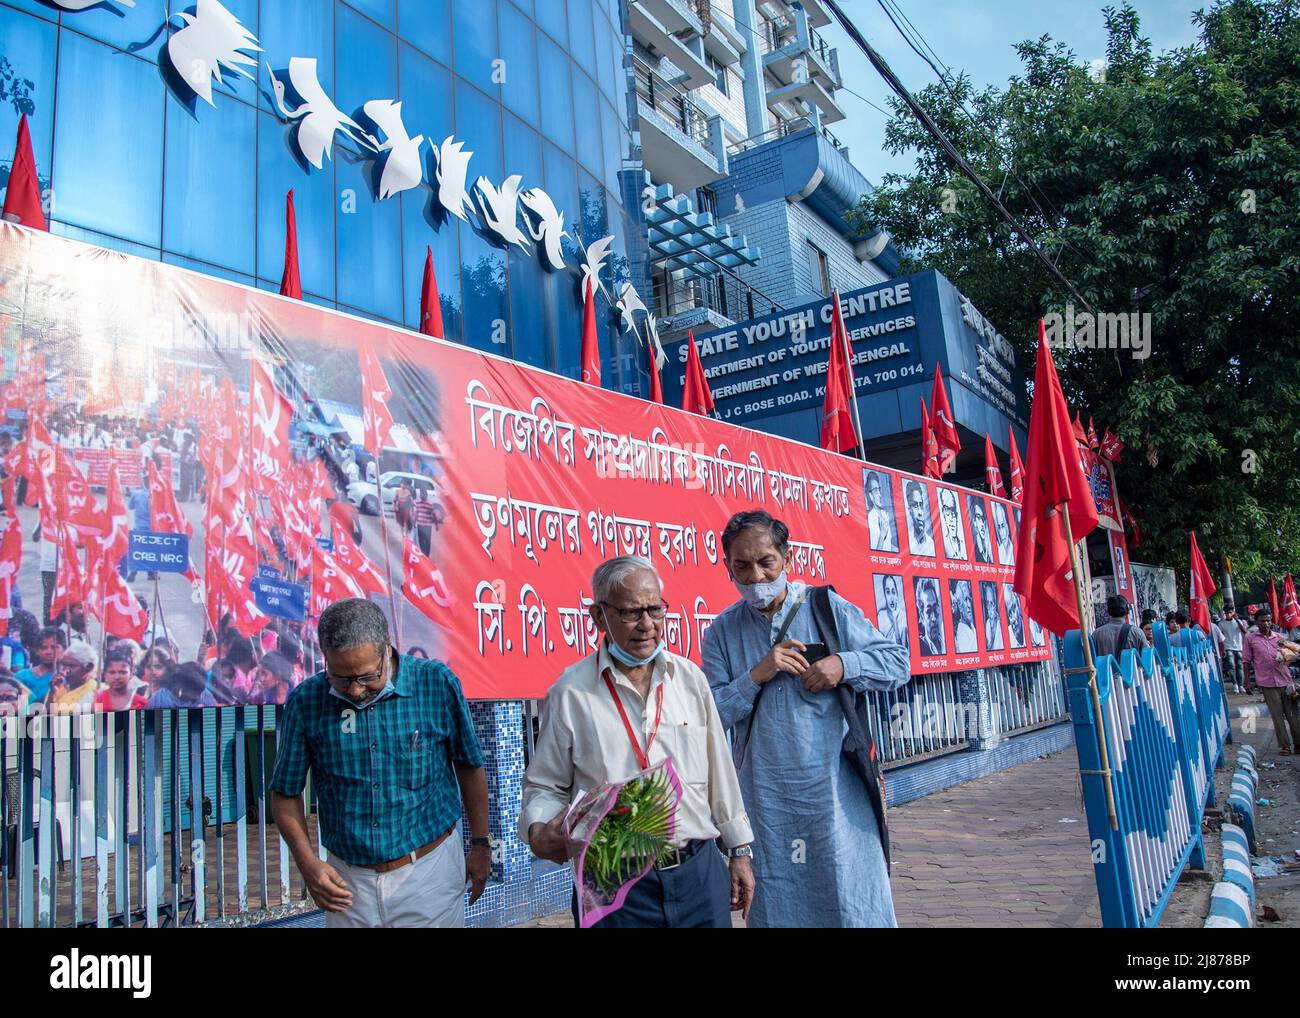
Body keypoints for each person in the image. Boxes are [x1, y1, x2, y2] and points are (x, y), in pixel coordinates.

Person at [522, 555, 754, 928]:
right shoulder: (571, 692)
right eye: (631, 612)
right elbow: (545, 784)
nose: (647, 625)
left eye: (655, 610)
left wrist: (739, 850)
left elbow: (719, 770)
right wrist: (539, 829)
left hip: (697, 874)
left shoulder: (689, 679)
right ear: (600, 617)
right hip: (614, 885)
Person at [702, 511, 909, 927]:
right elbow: (709, 717)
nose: (756, 577)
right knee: (778, 903)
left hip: (835, 795)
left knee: (849, 897)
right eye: (742, 566)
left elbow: (897, 663)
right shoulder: (721, 633)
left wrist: (843, 664)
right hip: (765, 800)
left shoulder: (826, 607)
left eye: (766, 562)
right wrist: (755, 676)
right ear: (727, 567)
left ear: (787, 558)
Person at [270, 598, 490, 928]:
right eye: (341, 678)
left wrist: (481, 844)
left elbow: (470, 766)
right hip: (347, 883)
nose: (356, 690)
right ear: (325, 660)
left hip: (428, 873)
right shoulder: (306, 702)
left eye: (366, 676)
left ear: (387, 649)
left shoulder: (436, 685)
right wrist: (306, 861)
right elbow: (285, 794)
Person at [1241, 609, 1300, 756]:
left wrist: (1286, 647)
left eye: (1268, 620)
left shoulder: (1279, 637)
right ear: (1256, 622)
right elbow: (1246, 661)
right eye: (1262, 620)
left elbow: (1295, 654)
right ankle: (1285, 746)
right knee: (1277, 715)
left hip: (1285, 680)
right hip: (1267, 683)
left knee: (1293, 714)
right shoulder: (1250, 639)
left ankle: (1298, 743)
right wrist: (1247, 682)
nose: (1266, 623)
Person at [16, 627, 66, 704]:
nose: (48, 652)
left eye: (54, 647)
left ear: (64, 649)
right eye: (43, 648)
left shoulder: (68, 678)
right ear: (37, 651)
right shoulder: (22, 676)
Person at [49, 641, 100, 713]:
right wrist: (52, 693)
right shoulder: (59, 686)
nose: (65, 671)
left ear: (89, 667)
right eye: (63, 665)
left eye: (71, 666)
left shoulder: (95, 692)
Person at [1092, 594, 1148, 659]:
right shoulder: (1137, 632)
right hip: (1131, 669)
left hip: (1104, 669)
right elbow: (1146, 660)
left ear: (1108, 611)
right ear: (1127, 611)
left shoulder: (1096, 634)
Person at [146, 662, 217, 708]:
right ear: (181, 686)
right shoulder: (160, 700)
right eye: (195, 693)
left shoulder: (206, 695)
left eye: (200, 692)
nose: (198, 696)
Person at [864, 471, 897, 553]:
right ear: (870, 496)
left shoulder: (885, 515)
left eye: (879, 490)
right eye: (875, 491)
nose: (879, 494)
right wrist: (882, 535)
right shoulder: (869, 518)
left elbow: (888, 546)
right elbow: (873, 555)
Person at [874, 574, 908, 648]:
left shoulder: (903, 616)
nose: (891, 598)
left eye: (893, 591)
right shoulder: (880, 616)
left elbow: (903, 650)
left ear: (897, 593)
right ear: (884, 595)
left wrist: (895, 620)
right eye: (888, 592)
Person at [903, 480, 935, 557]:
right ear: (909, 510)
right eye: (915, 506)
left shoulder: (931, 544)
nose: (920, 512)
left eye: (921, 505)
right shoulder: (906, 542)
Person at [937, 488, 967, 560]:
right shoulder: (942, 544)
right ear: (943, 514)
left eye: (953, 511)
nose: (951, 517)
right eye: (947, 510)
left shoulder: (963, 545)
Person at [950, 579, 977, 653]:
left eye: (969, 599)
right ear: (959, 605)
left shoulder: (971, 626)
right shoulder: (961, 634)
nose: (969, 605)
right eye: (965, 600)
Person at [967, 497, 993, 564]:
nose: (982, 523)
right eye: (978, 517)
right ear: (974, 522)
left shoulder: (991, 550)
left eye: (983, 518)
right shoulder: (973, 549)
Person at [981, 582, 1004, 651]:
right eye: (987, 603)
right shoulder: (988, 623)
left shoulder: (1002, 621)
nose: (989, 607)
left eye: (991, 603)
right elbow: (989, 648)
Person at [991, 502, 1015, 566]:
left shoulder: (1016, 547)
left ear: (1007, 526)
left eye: (1003, 526)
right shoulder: (999, 553)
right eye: (999, 527)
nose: (1002, 532)